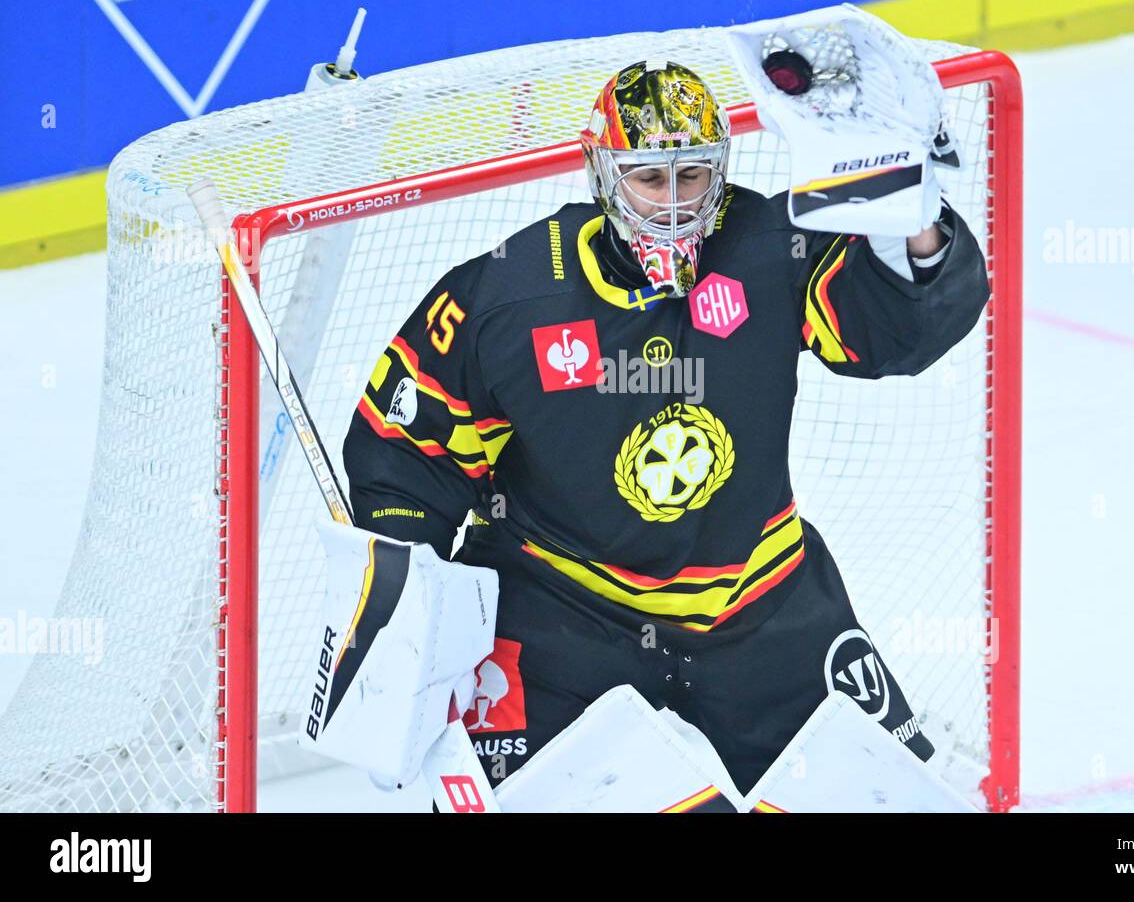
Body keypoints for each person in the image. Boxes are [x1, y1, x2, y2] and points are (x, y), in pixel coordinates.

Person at [342, 60, 989, 795]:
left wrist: (912, 224)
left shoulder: (771, 247)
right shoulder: (510, 298)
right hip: (565, 616)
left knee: (902, 800)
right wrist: (405, 628)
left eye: (694, 177)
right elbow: (405, 456)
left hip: (760, 604)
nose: (676, 205)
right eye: (651, 178)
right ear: (601, 172)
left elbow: (887, 329)